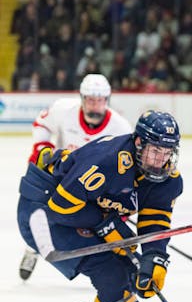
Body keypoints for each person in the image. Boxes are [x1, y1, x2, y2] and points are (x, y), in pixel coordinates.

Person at [17, 111, 185, 302]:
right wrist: (107, 226)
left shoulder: (165, 176)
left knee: (132, 269)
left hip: (86, 212)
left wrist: (155, 257)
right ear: (139, 143)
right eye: (155, 151)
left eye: (167, 152)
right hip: (43, 212)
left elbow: (155, 219)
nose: (161, 160)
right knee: (111, 273)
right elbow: (61, 208)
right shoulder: (107, 161)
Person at [19, 74, 132, 281]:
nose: (95, 105)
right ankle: (32, 248)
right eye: (90, 100)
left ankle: (99, 265)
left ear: (107, 100)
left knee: (84, 225)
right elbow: (41, 124)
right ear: (82, 98)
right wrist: (42, 148)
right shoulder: (64, 109)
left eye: (100, 101)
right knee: (41, 214)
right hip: (61, 177)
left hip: (93, 187)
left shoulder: (120, 127)